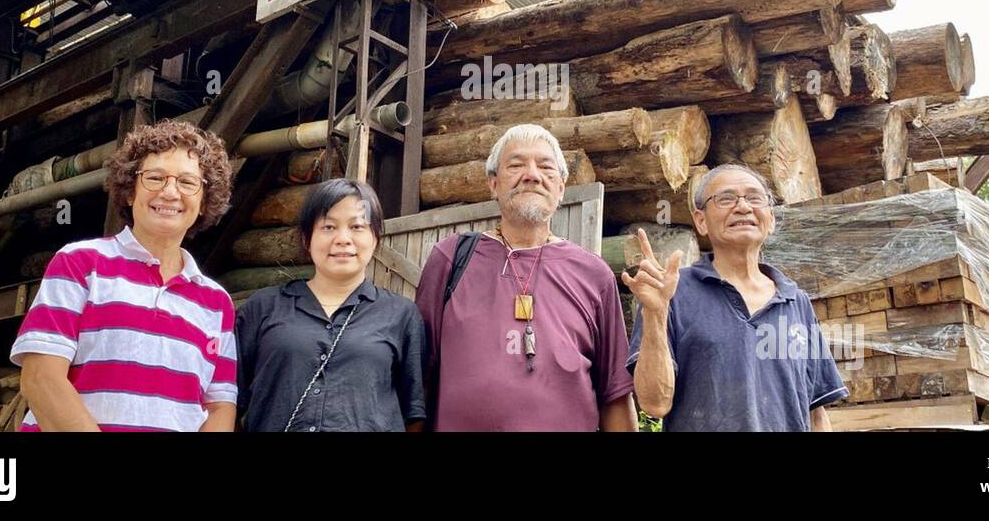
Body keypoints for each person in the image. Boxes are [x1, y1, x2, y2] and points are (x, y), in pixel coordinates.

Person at [12, 120, 238, 431]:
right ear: (130, 192)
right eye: (155, 178)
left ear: (203, 202)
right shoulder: (80, 263)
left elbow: (219, 407)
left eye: (188, 183)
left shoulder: (217, 303)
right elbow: (40, 376)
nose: (170, 192)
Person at [416, 124, 636, 431]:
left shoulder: (594, 274)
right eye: (516, 165)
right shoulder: (451, 259)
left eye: (546, 167)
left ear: (561, 187)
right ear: (493, 183)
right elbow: (417, 379)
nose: (532, 175)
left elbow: (614, 394)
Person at [623, 163, 849, 431]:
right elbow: (655, 404)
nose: (743, 207)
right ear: (701, 220)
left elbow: (816, 412)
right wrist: (656, 312)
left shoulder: (795, 301)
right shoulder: (672, 292)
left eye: (755, 198)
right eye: (726, 199)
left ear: (771, 219)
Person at [234, 178, 426, 431]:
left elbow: (414, 414)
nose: (343, 239)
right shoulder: (263, 307)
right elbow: (228, 401)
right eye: (328, 227)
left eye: (357, 226)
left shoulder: (401, 315)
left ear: (376, 238)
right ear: (306, 238)